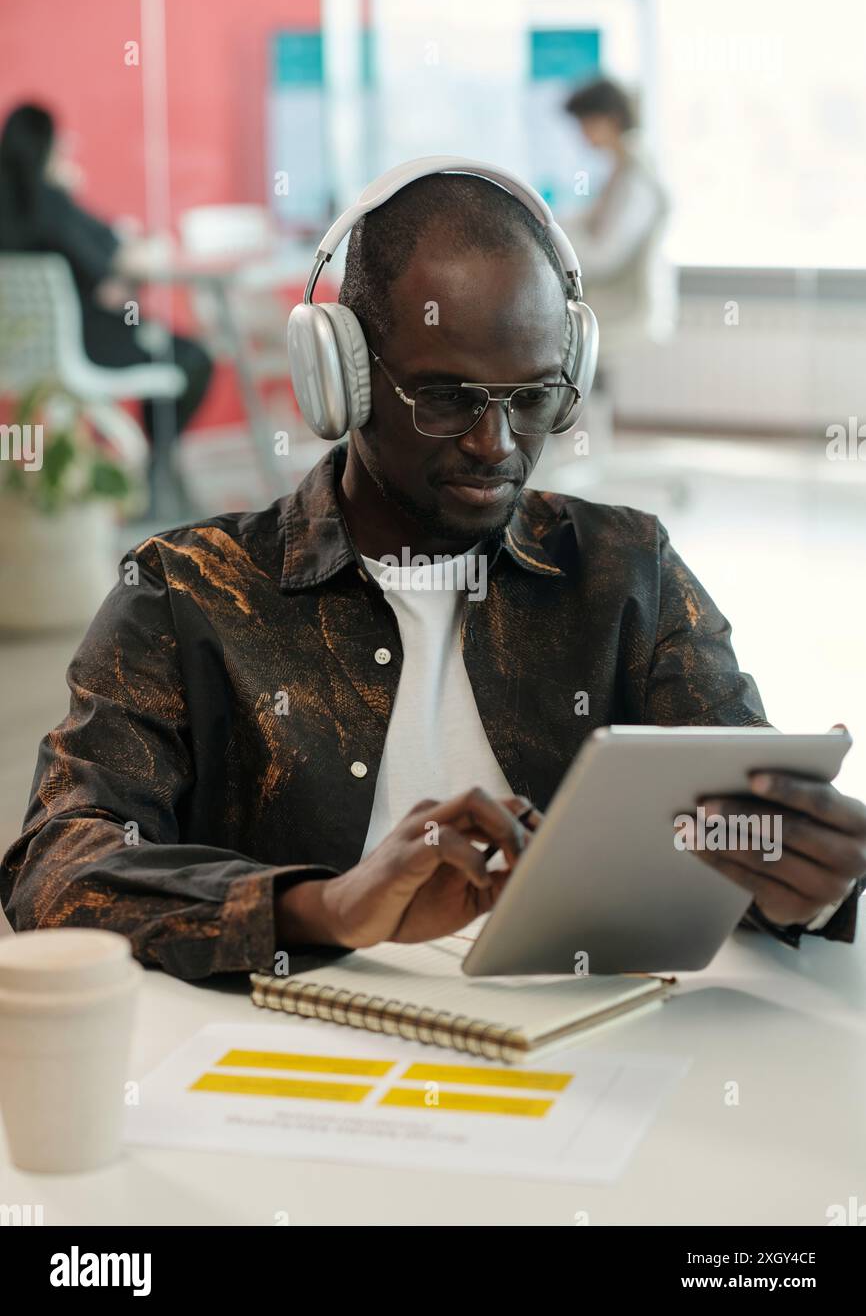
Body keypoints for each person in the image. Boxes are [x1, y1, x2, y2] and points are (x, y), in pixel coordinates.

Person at [1, 169, 863, 982]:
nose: (496, 446)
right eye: (446, 398)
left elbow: (751, 832)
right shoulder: (188, 593)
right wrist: (323, 908)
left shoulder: (626, 571)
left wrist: (815, 889)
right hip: (295, 1074)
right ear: (342, 378)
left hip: (589, 1056)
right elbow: (60, 868)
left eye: (531, 399)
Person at [0, 103, 212, 511]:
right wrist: (64, 188)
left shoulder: (13, 207)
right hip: (87, 345)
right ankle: (155, 469)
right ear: (47, 149)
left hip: (25, 352)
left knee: (172, 351)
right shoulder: (51, 203)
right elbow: (113, 268)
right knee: (193, 357)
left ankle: (154, 473)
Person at [561, 77, 673, 353]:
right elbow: (591, 219)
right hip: (616, 296)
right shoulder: (623, 167)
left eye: (586, 124)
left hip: (626, 305)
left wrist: (559, 248)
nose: (582, 136)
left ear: (611, 119)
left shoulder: (637, 179)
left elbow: (604, 256)